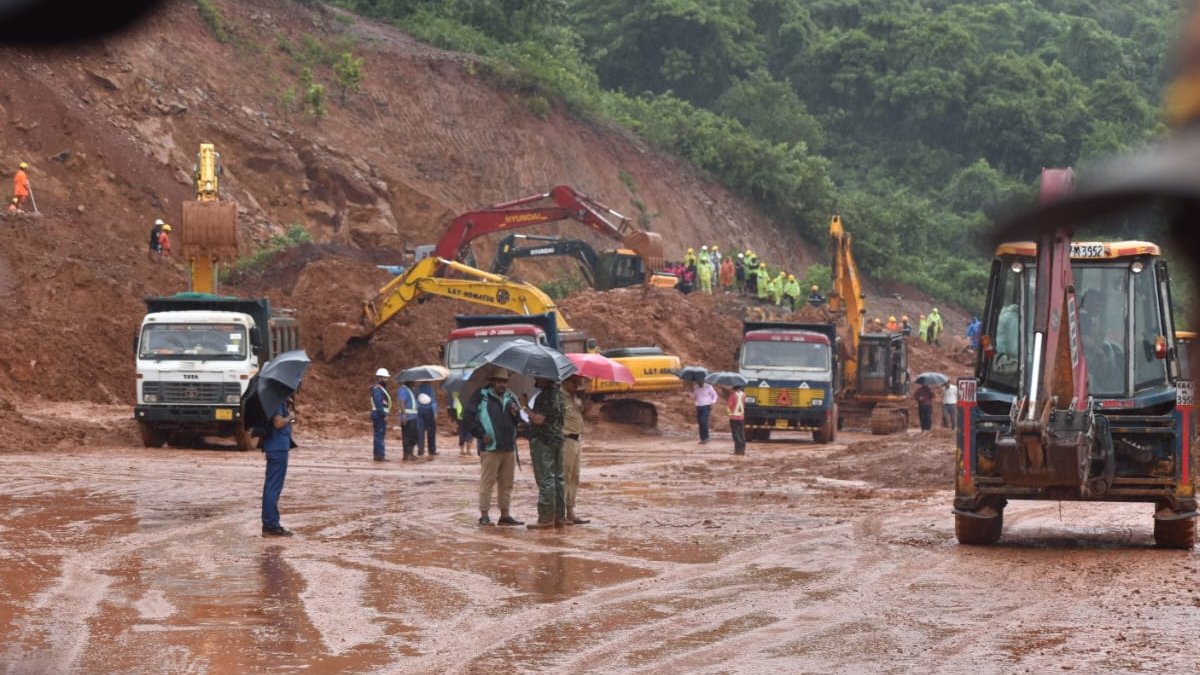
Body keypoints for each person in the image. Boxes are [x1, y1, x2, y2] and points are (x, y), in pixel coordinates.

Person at [462, 369, 524, 527]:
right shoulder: (481, 396)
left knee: (507, 483)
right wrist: (481, 435)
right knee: (487, 482)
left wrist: (516, 414)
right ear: (492, 381)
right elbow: (468, 417)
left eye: (505, 382)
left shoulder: (511, 398)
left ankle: (505, 515)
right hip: (490, 447)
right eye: (499, 381)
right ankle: (484, 516)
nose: (502, 385)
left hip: (508, 446)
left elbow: (519, 422)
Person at [526, 376, 566, 529]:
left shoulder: (544, 397)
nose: (535, 378)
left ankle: (545, 518)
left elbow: (538, 419)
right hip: (557, 439)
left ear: (546, 378)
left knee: (545, 479)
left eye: (538, 376)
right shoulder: (559, 395)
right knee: (558, 479)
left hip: (543, 441)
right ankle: (559, 517)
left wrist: (525, 407)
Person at [261, 394, 298, 537]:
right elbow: (278, 423)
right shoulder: (276, 400)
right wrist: (290, 416)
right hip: (277, 447)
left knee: (272, 487)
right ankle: (271, 526)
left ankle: (271, 524)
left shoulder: (278, 400)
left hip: (276, 446)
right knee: (273, 488)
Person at [561, 374, 591, 525]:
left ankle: (570, 510)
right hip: (565, 440)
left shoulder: (575, 398)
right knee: (565, 476)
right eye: (574, 383)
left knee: (574, 476)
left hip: (577, 439)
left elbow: (584, 412)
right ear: (565, 382)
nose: (577, 386)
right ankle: (561, 512)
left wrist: (586, 397)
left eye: (578, 383)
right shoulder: (560, 398)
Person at [395, 379, 421, 460]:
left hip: (412, 416)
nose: (414, 382)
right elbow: (401, 402)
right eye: (413, 381)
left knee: (414, 435)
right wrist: (404, 415)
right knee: (407, 436)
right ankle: (407, 454)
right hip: (408, 417)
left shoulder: (409, 390)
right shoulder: (403, 389)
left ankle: (410, 453)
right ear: (408, 381)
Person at [370, 368, 392, 461]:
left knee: (379, 435)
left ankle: (378, 455)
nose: (387, 380)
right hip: (379, 415)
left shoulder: (379, 388)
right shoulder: (378, 389)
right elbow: (379, 403)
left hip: (378, 414)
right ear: (380, 378)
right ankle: (379, 456)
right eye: (385, 378)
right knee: (379, 435)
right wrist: (384, 415)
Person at [689, 379, 718, 444]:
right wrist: (691, 392)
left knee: (703, 421)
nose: (699, 383)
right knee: (700, 422)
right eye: (698, 381)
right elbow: (694, 397)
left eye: (701, 381)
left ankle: (706, 437)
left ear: (703, 381)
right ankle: (702, 438)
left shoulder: (709, 387)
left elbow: (715, 395)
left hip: (707, 406)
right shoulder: (696, 387)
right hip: (699, 406)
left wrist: (713, 402)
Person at [416, 380, 438, 457]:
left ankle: (420, 450)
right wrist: (435, 413)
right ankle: (432, 450)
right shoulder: (430, 389)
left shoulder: (417, 389)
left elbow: (416, 400)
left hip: (419, 411)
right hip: (429, 411)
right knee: (431, 431)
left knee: (420, 431)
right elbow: (433, 402)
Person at [726, 383, 746, 455]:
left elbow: (729, 407)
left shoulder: (732, 396)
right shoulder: (744, 395)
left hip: (733, 417)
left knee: (736, 434)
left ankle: (737, 450)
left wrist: (728, 413)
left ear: (733, 388)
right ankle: (742, 450)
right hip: (741, 417)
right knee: (741, 433)